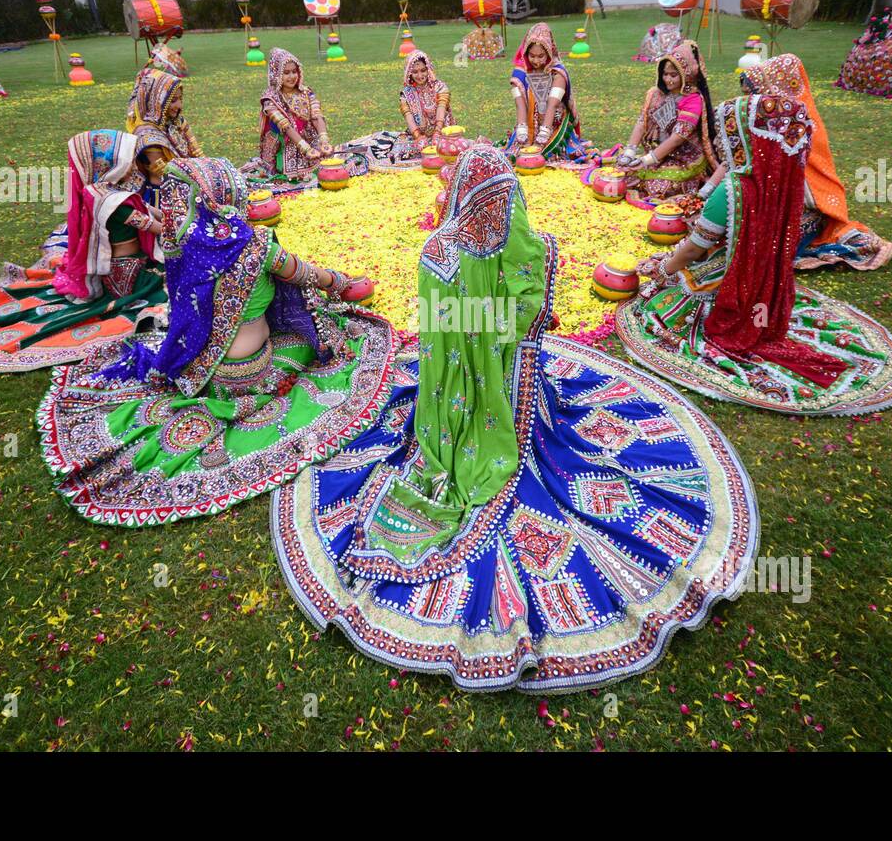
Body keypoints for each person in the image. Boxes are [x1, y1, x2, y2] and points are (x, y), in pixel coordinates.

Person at [271, 145, 759, 692]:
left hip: (442, 408)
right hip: (510, 395)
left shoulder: (437, 249)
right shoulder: (515, 241)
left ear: (458, 195)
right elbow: (529, 308)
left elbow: (442, 332)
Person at [38, 158, 397, 524]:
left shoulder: (181, 244)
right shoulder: (257, 247)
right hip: (249, 371)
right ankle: (271, 375)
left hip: (198, 366)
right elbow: (311, 277)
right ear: (232, 195)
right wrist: (343, 283)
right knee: (317, 332)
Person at [615, 95, 892, 416]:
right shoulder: (789, 180)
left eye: (729, 136)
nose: (723, 143)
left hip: (729, 285)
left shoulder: (735, 187)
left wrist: (663, 269)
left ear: (744, 139)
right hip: (769, 288)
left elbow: (694, 248)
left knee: (658, 303)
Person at [0, 130, 168, 373]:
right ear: (109, 163)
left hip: (127, 262)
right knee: (173, 289)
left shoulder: (101, 190)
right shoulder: (114, 201)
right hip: (126, 271)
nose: (133, 166)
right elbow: (154, 225)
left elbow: (151, 211)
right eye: (128, 160)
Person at [739, 53, 892, 270]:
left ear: (775, 90)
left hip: (803, 209)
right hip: (771, 202)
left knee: (763, 249)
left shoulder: (801, 125)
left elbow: (802, 186)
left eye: (754, 95)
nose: (749, 102)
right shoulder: (766, 120)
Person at [615, 40, 719, 211]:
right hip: (656, 155)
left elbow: (677, 139)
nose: (668, 79)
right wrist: (630, 151)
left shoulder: (693, 100)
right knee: (622, 172)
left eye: (673, 75)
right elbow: (642, 122)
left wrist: (646, 160)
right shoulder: (655, 94)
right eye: (665, 74)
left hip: (683, 159)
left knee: (659, 188)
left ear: (686, 75)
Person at [240, 48, 333, 188]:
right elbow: (285, 126)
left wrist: (324, 139)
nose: (292, 77)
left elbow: (316, 116)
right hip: (286, 143)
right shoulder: (271, 98)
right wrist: (305, 148)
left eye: (294, 71)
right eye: (286, 72)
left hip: (310, 139)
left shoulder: (306, 92)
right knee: (292, 177)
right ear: (276, 74)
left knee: (328, 163)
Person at [505, 22, 597, 163]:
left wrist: (544, 134)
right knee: (518, 155)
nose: (536, 61)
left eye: (541, 56)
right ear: (526, 52)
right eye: (532, 56)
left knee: (549, 155)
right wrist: (522, 129)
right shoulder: (519, 73)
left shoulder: (558, 72)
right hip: (529, 123)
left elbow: (552, 105)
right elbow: (520, 104)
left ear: (549, 52)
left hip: (554, 123)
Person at [126, 67, 203, 162]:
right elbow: (163, 175)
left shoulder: (177, 122)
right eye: (173, 100)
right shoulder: (148, 137)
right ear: (155, 101)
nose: (180, 106)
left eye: (180, 99)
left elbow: (198, 153)